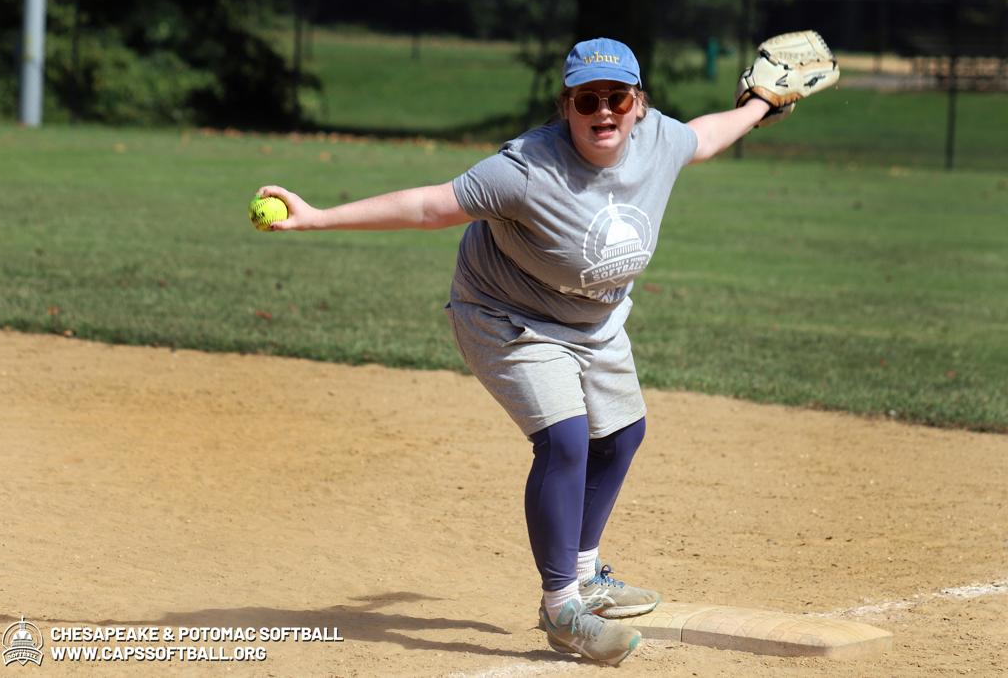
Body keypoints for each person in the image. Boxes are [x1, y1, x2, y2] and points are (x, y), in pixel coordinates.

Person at [256, 38, 772, 666]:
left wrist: (760, 104)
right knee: (565, 440)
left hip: (593, 317)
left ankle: (585, 576)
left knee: (622, 435)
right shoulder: (525, 169)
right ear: (565, 105)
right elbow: (429, 207)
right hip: (506, 316)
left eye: (617, 97)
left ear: (639, 104)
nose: (603, 111)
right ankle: (562, 609)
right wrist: (316, 217)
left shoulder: (658, 139)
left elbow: (706, 137)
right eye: (587, 99)